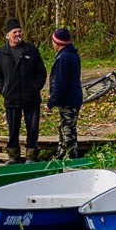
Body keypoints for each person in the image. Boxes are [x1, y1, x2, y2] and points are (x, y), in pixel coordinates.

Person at [0, 17, 47, 161]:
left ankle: (31, 155)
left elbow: (41, 72)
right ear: (7, 35)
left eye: (19, 32)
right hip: (11, 97)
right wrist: (3, 90)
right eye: (14, 32)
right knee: (13, 129)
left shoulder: (31, 50)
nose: (18, 35)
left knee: (33, 128)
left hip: (31, 97)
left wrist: (35, 87)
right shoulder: (1, 53)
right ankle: (13, 156)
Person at [46, 27, 83, 159]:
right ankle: (61, 155)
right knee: (63, 126)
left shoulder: (63, 58)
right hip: (72, 97)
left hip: (68, 99)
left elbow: (60, 83)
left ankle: (70, 157)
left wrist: (51, 102)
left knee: (68, 130)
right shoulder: (72, 54)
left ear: (57, 43)